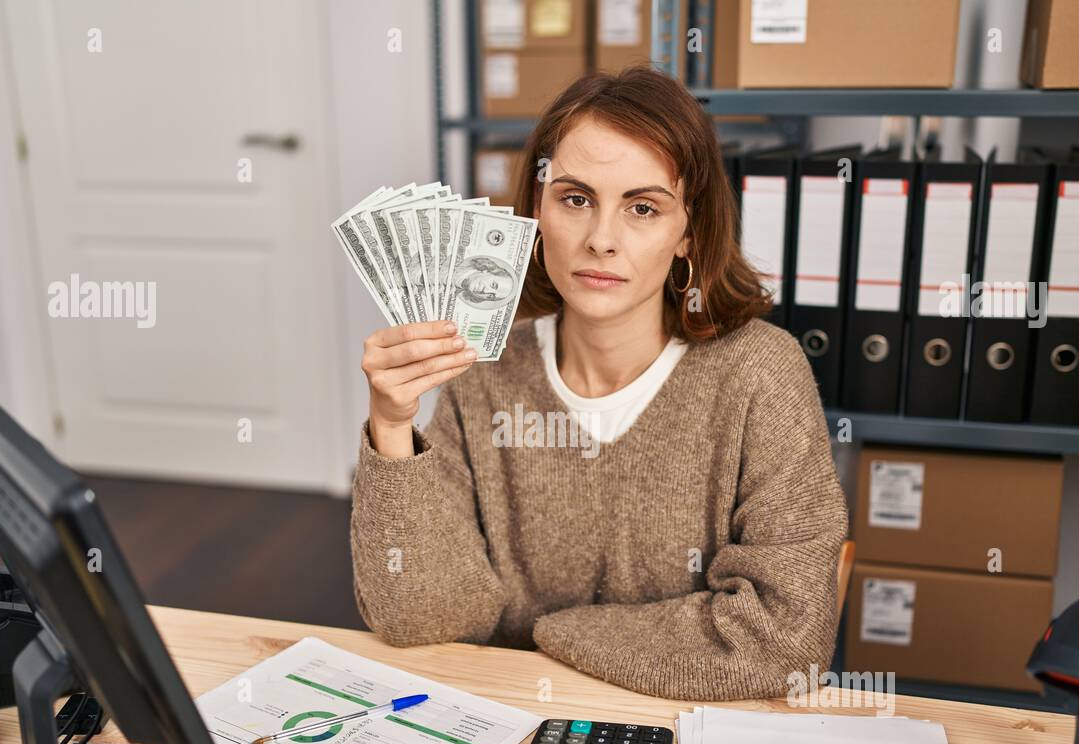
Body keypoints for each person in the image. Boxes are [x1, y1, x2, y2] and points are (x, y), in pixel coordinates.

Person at [350, 67, 848, 701]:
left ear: (687, 233)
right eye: (575, 198)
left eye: (642, 208)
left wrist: (548, 633)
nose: (601, 240)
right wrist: (392, 429)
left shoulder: (761, 374)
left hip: (691, 734)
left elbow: (782, 642)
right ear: (536, 211)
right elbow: (429, 621)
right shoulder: (484, 374)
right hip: (517, 719)